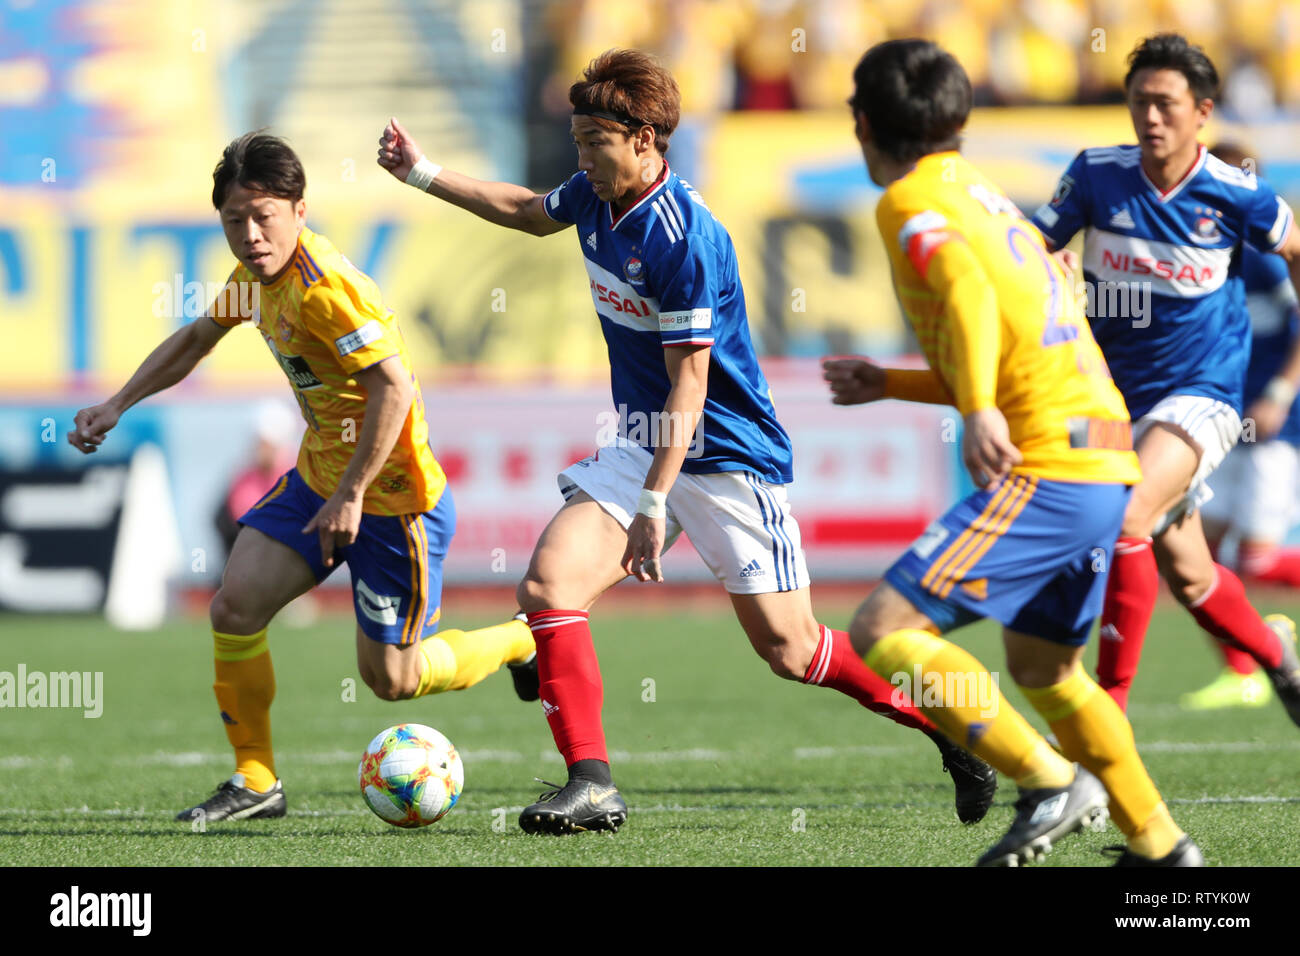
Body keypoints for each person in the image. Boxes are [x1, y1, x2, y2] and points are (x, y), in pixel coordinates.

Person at [377, 48, 997, 836]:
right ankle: (592, 784)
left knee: (793, 650)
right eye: (576, 142)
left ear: (645, 139)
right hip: (645, 445)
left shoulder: (683, 238)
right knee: (548, 587)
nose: (582, 159)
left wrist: (654, 504)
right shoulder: (597, 196)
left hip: (727, 456)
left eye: (593, 142)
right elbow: (527, 210)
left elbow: (691, 387)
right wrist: (423, 173)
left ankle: (953, 733)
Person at [67, 132, 537, 823]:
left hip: (390, 498)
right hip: (320, 479)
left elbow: (394, 391)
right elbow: (197, 339)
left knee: (393, 680)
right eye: (235, 220)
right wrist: (115, 404)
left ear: (299, 209)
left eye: (264, 216)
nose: (251, 235)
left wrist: (352, 495)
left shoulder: (327, 290)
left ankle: (523, 640)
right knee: (233, 608)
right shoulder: (255, 280)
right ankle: (256, 782)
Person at [827, 38, 1200, 866]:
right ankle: (1164, 850)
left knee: (883, 630)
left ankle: (1046, 780)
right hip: (1105, 459)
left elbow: (958, 287)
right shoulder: (988, 198)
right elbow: (1009, 338)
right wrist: (892, 382)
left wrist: (979, 412)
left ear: (863, 122)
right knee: (1047, 671)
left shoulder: (911, 201)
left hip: (1050, 465)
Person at [1030, 34, 1300, 721]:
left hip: (1202, 393)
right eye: (1139, 102)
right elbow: (1034, 250)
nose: (1151, 118)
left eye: (1166, 104)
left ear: (1202, 111)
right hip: (1113, 396)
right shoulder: (1095, 174)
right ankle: (1276, 659)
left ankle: (1108, 714)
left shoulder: (1236, 193)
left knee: (1128, 517)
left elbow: (1295, 248)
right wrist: (1046, 271)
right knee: (1191, 571)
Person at [1183, 144, 1300, 709]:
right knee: (1192, 557)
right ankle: (1243, 673)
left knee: (1251, 560)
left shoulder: (1272, 257)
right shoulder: (1194, 254)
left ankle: (1264, 650)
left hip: (1273, 427)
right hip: (1220, 419)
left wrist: (1280, 391)